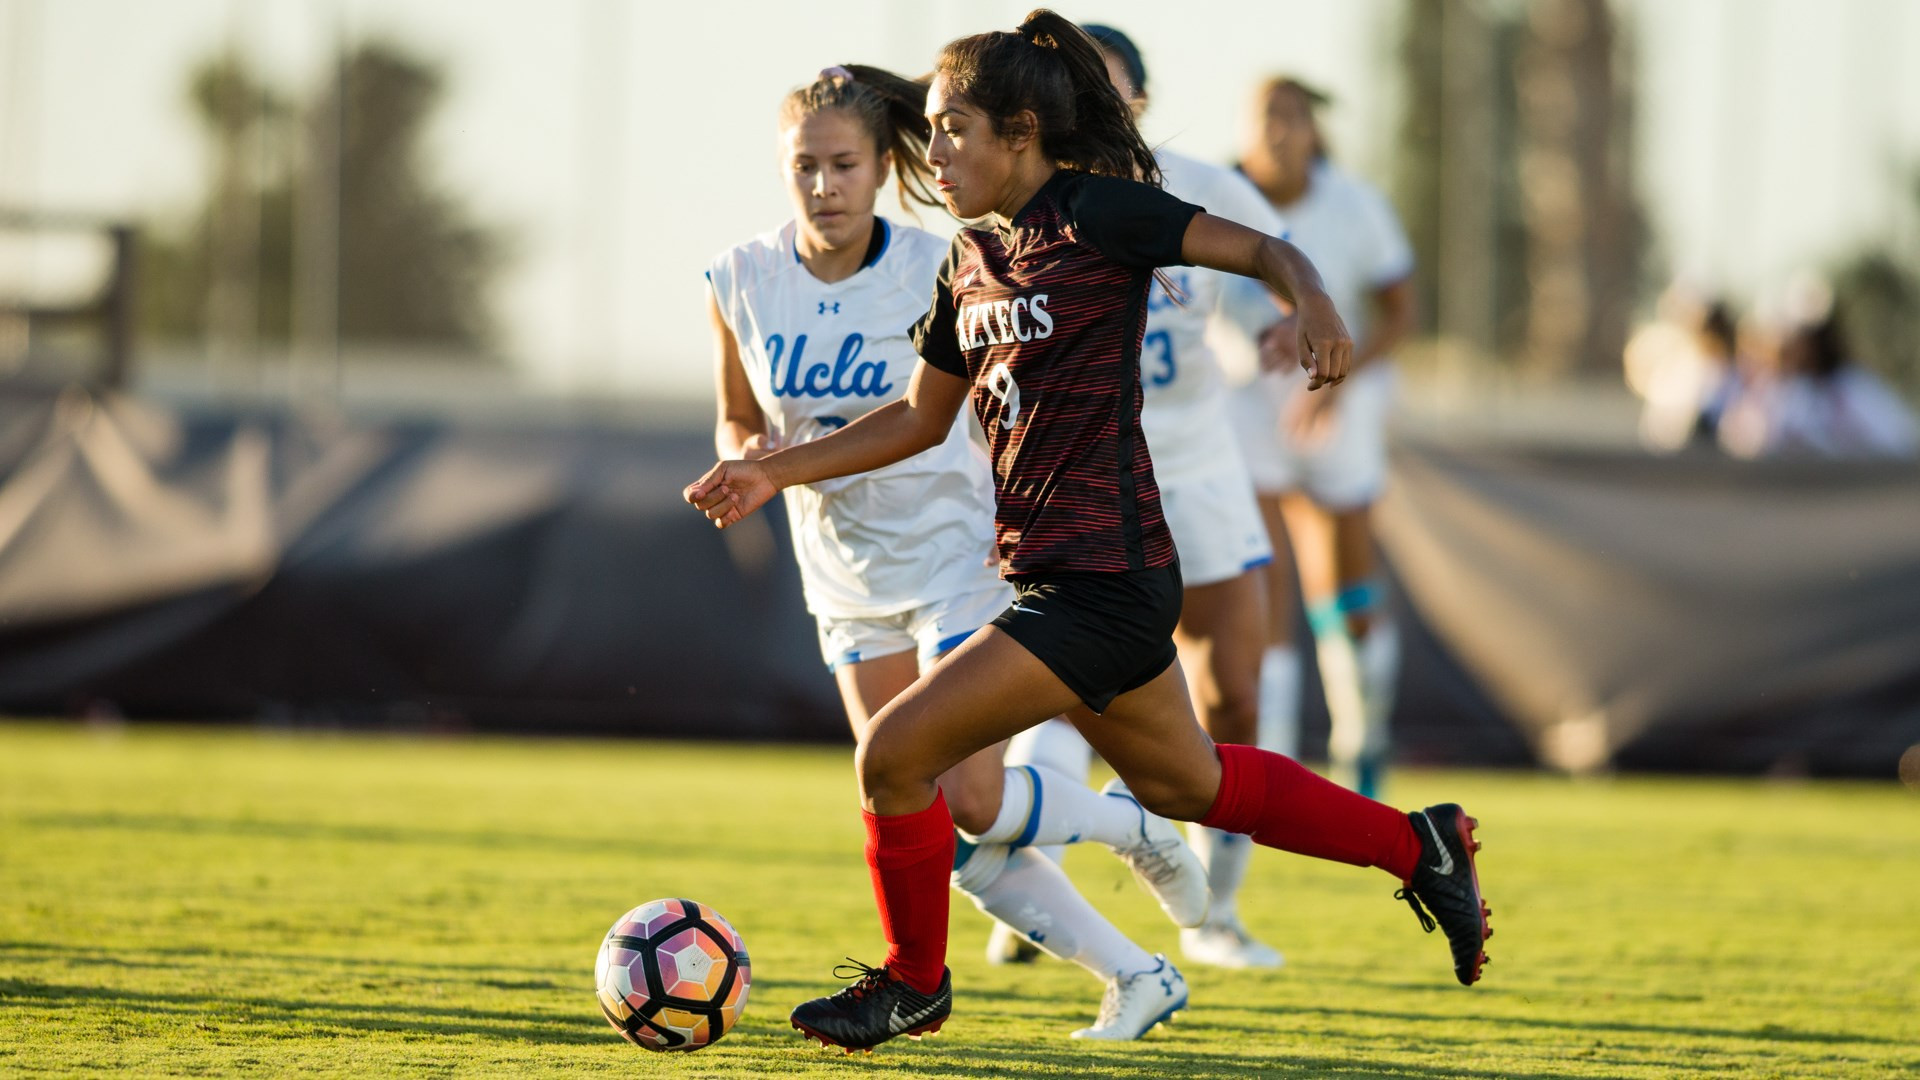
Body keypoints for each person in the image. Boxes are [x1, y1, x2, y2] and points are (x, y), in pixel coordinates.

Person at [687, 12, 1492, 1055]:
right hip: (1058, 580)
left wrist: (1317, 298)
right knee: (1189, 784)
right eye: (927, 131)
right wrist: (768, 469)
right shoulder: (971, 256)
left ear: (1021, 132)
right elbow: (920, 419)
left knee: (895, 758)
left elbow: (1262, 246)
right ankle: (1419, 843)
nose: (931, 157)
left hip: (1104, 581)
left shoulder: (1099, 215)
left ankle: (913, 983)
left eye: (951, 130)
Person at [703, 63, 1208, 1040]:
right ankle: (1136, 973)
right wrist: (743, 461)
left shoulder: (941, 263)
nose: (823, 186)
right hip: (845, 576)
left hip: (955, 554)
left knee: (971, 795)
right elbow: (734, 415)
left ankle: (1129, 823)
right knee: (935, 822)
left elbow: (951, 414)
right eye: (803, 167)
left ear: (880, 164)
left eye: (844, 164)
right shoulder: (740, 277)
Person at [991, 22, 1298, 974]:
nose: (1092, 107)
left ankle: (1217, 914)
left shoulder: (1191, 182)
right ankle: (1031, 890)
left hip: (1194, 466)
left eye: (1108, 90)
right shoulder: (1018, 204)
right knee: (1053, 696)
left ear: (1143, 105)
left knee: (1233, 694)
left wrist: (1291, 318)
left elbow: (1275, 259)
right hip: (1078, 471)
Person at [1232, 75, 1418, 800]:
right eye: (1264, 114)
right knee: (1263, 579)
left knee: (1345, 591)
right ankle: (1273, 766)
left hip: (1339, 402)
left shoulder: (1355, 204)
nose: (1277, 129)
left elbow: (1400, 312)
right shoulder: (1219, 193)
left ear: (1314, 129)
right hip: (1247, 404)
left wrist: (1339, 375)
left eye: (1291, 116)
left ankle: (1361, 741)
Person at [1718, 307, 1918, 459]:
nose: (1797, 349)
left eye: (1805, 340)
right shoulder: (1785, 390)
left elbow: (1898, 440)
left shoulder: (1854, 387)